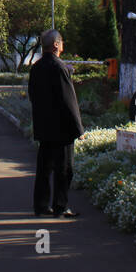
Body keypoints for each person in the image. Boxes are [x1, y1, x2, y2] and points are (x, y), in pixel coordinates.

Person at [27, 30, 84, 217]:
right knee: (64, 169)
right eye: (62, 41)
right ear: (56, 45)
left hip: (44, 126)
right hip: (62, 129)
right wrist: (78, 127)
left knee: (44, 168)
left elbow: (32, 95)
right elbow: (69, 101)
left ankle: (41, 205)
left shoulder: (36, 67)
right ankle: (61, 205)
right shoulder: (60, 68)